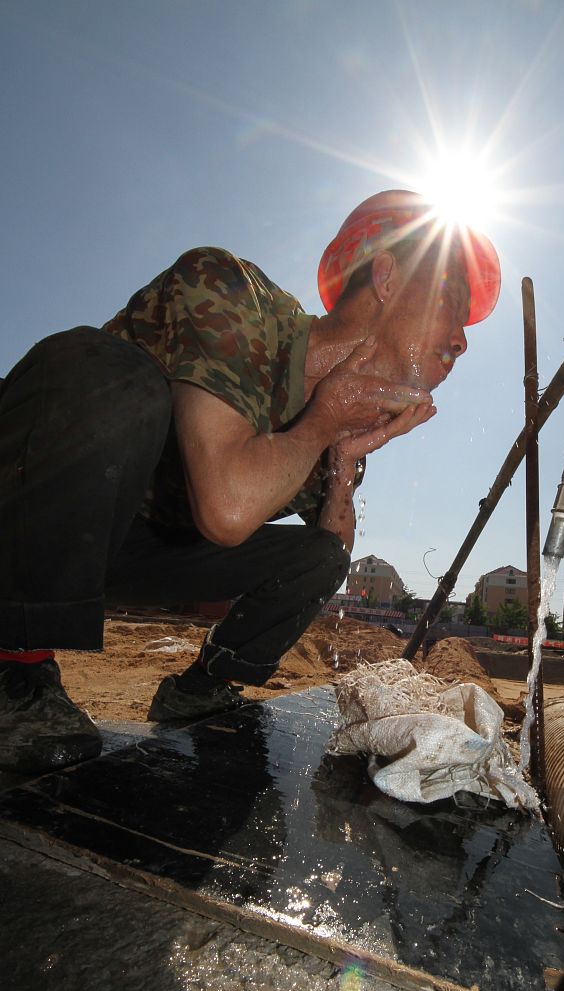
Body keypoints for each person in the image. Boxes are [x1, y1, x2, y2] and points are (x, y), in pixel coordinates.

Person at [0, 190, 500, 774]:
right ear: (387, 278)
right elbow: (227, 509)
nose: (461, 339)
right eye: (450, 303)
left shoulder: (333, 419)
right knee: (105, 366)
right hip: (29, 523)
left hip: (128, 551)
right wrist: (321, 424)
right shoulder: (231, 294)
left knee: (319, 552)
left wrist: (342, 464)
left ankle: (203, 686)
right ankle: (15, 669)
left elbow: (327, 559)